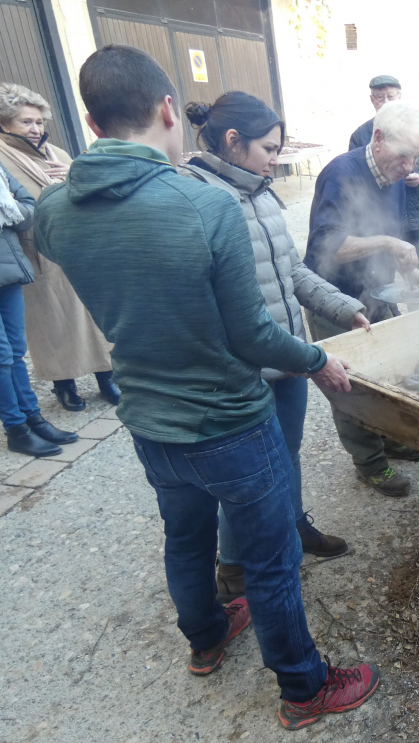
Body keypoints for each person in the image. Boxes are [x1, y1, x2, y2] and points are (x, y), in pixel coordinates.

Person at [33, 45, 378, 730]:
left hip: (148, 417)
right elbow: (252, 337)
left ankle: (206, 634)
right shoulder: (202, 207)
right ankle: (304, 687)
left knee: (184, 537)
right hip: (228, 422)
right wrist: (315, 356)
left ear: (91, 121)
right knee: (272, 559)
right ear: (167, 109)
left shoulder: (54, 208)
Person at [181, 91, 369, 599]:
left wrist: (340, 305)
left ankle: (294, 525)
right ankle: (235, 567)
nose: (274, 160)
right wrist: (311, 359)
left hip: (286, 360)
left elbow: (290, 270)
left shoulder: (262, 193)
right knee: (244, 480)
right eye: (268, 148)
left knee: (286, 454)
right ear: (232, 141)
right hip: (243, 370)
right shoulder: (199, 198)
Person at [305, 101, 419, 498]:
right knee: (351, 386)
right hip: (333, 295)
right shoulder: (341, 174)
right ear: (378, 139)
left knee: (390, 372)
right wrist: (390, 242)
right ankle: (370, 464)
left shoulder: (391, 175)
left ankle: (390, 438)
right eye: (404, 154)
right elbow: (328, 246)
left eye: (416, 157)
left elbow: (386, 235)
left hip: (375, 290)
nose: (410, 166)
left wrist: (410, 272)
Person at [0, 83, 118, 411]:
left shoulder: (56, 153)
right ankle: (64, 383)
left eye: (39, 122)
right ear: (2, 123)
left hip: (74, 246)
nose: (35, 129)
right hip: (33, 251)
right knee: (51, 320)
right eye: (26, 122)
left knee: (91, 316)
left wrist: (75, 175)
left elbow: (92, 190)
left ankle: (106, 376)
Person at [0, 128, 77, 457]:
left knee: (14, 350)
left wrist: (2, 211)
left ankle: (33, 419)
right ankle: (16, 428)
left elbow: (26, 206)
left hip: (6, 263)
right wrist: (3, 211)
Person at [348, 75, 419, 271]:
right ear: (372, 100)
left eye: (390, 96)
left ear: (400, 97)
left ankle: (416, 301)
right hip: (378, 220)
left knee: (415, 266)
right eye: (380, 97)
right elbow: (355, 180)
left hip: (413, 213)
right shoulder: (361, 135)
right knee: (379, 269)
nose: (386, 102)